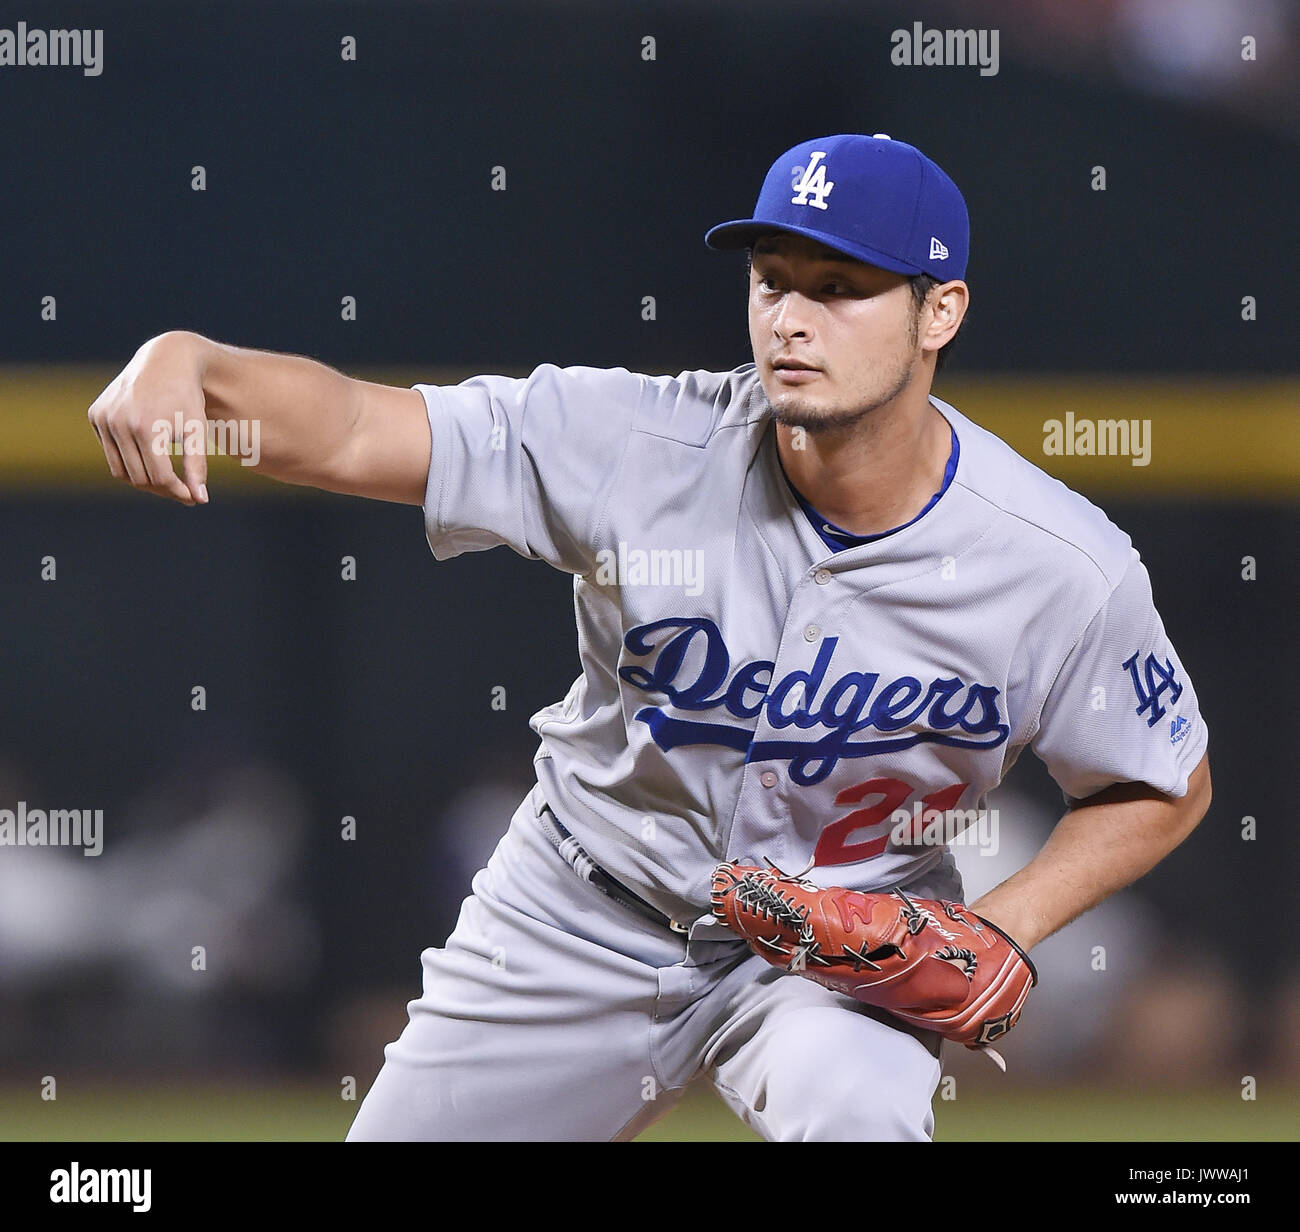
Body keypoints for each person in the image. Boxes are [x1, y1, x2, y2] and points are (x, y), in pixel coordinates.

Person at [87, 133, 1211, 1141]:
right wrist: (197, 358)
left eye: (840, 286)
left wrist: (1000, 924)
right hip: (579, 911)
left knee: (856, 1108)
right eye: (771, 280)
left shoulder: (1054, 562)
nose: (790, 317)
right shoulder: (635, 440)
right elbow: (350, 427)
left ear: (939, 312)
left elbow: (1165, 782)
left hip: (832, 963)